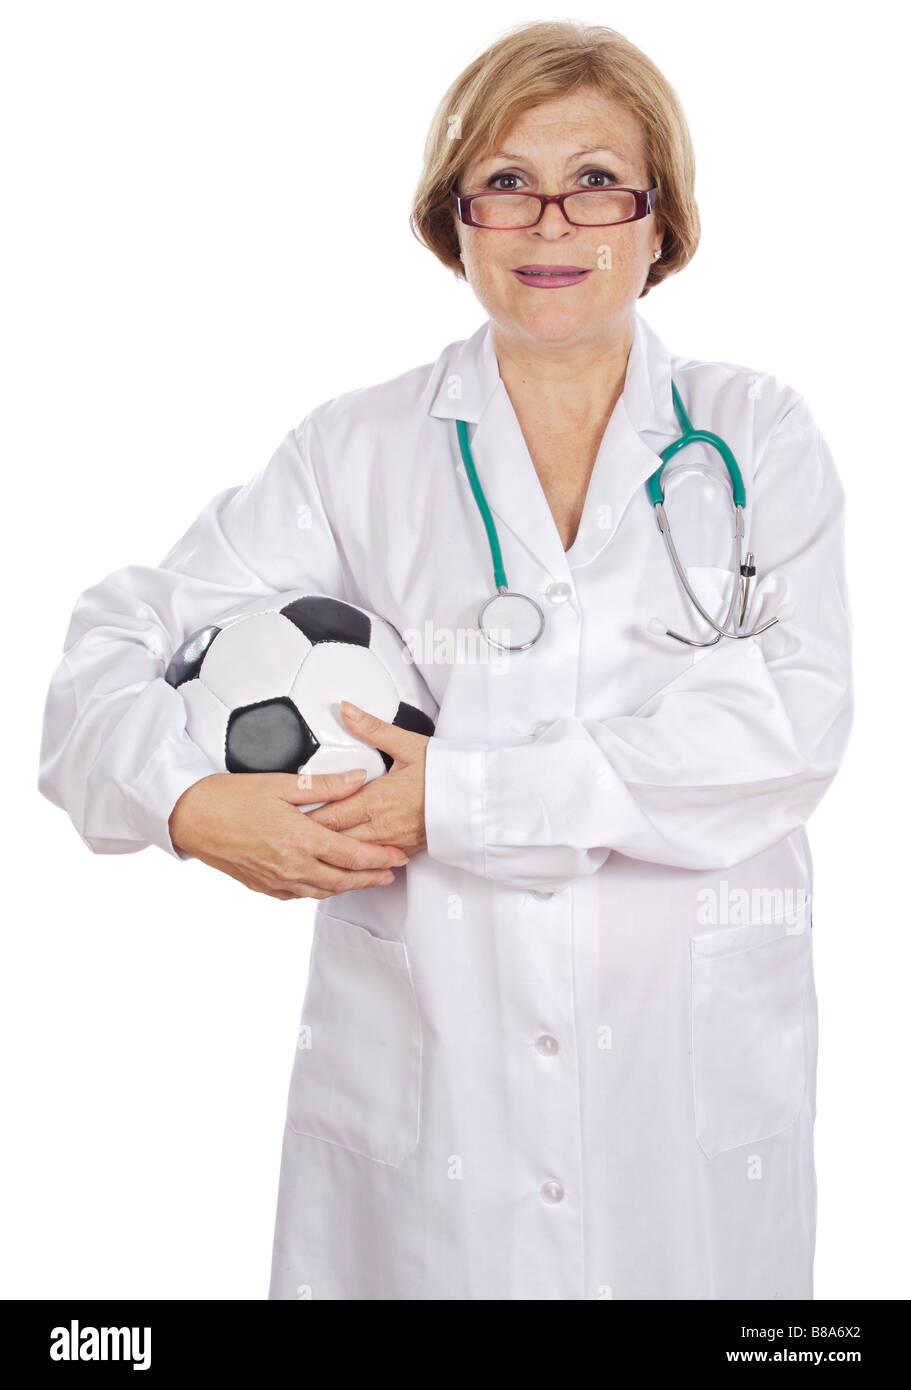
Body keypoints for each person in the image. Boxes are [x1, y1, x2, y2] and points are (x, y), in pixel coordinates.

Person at [37, 19, 853, 1299]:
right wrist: (188, 803)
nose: (549, 222)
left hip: (680, 1112)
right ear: (452, 218)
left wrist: (455, 797)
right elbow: (109, 647)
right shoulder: (354, 451)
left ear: (657, 221)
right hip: (431, 1123)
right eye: (504, 181)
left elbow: (784, 733)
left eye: (596, 180)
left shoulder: (755, 438)